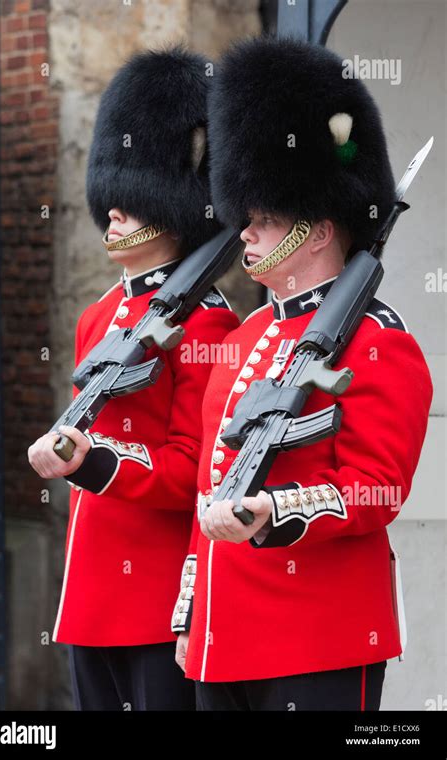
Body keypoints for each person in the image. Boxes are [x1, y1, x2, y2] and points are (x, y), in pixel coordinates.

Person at [172, 36, 433, 711]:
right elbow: (210, 480)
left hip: (316, 639)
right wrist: (189, 613)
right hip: (221, 641)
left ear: (316, 231)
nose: (246, 234)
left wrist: (278, 512)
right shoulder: (245, 336)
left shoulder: (379, 339)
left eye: (263, 219)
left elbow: (377, 489)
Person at [28, 46, 239, 711]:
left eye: (132, 199)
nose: (112, 213)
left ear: (177, 207)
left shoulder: (206, 322)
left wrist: (96, 463)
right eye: (110, 198)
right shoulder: (97, 318)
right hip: (89, 592)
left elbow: (193, 470)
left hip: (154, 599)